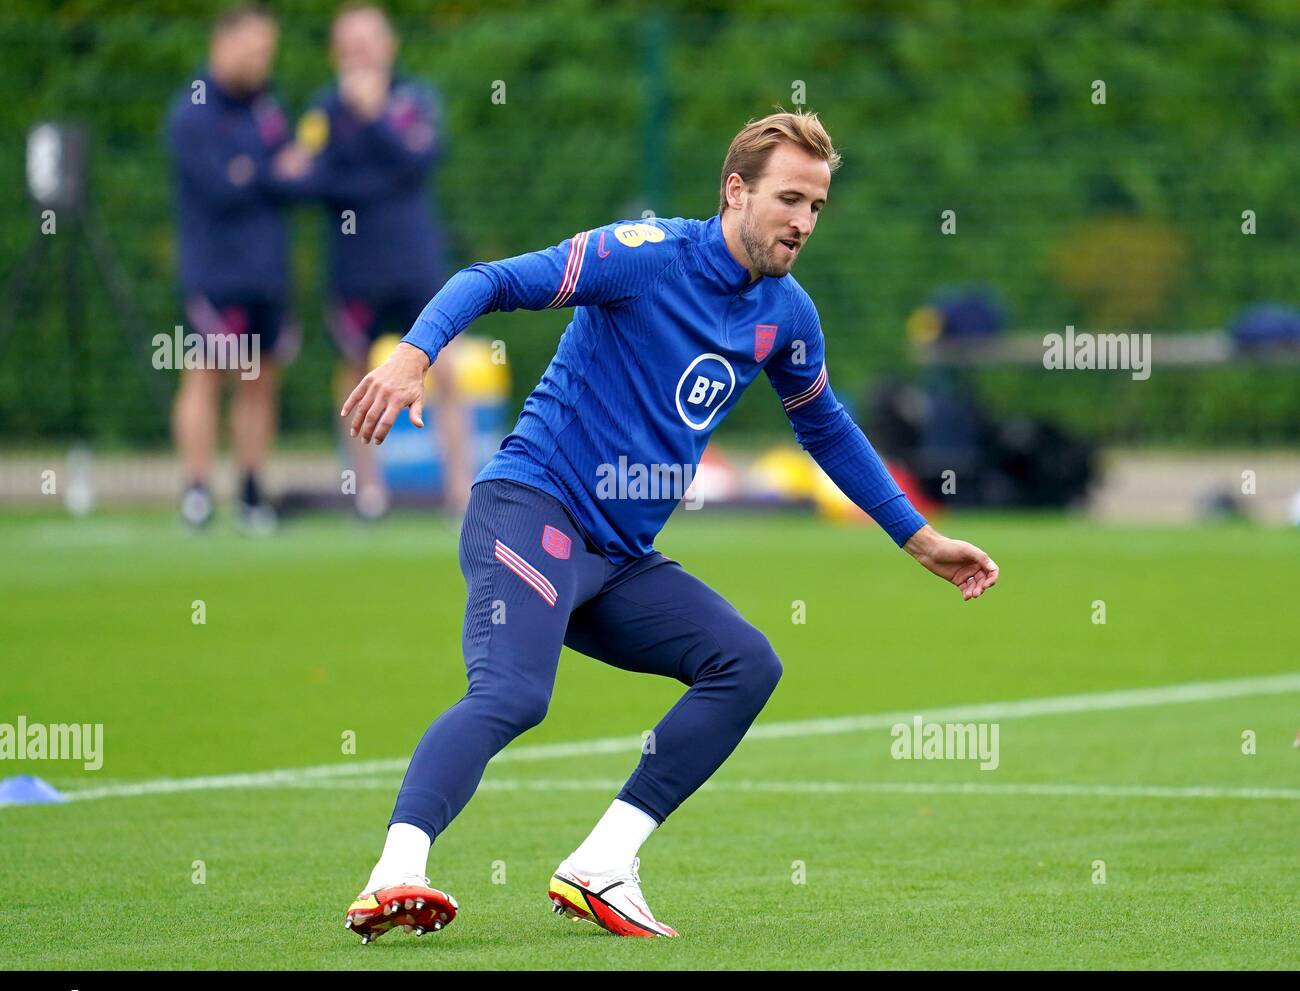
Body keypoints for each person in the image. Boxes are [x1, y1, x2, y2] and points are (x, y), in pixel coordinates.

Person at [339, 111, 1000, 941]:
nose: (802, 222)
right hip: (530, 509)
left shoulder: (787, 315)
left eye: (817, 206)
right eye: (788, 198)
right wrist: (414, 354)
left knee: (745, 663)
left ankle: (603, 864)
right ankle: (395, 873)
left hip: (618, 557)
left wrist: (918, 537)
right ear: (735, 191)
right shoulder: (642, 256)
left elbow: (824, 425)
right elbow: (490, 280)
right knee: (512, 694)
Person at [291, 3, 469, 518]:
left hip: (415, 262)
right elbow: (309, 180)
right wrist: (376, 176)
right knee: (355, 373)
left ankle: (461, 487)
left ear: (389, 44)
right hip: (354, 270)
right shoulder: (322, 112)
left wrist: (372, 121)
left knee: (447, 369)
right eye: (348, 43)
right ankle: (368, 492)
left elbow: (419, 160)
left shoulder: (414, 100)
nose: (359, 52)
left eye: (368, 40)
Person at [166, 5, 307, 532]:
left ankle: (251, 491)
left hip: (268, 273)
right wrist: (269, 171)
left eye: (266, 50)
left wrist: (257, 171)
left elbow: (298, 177)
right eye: (252, 49)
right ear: (221, 44)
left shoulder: (268, 106)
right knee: (205, 376)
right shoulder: (193, 110)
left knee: (260, 381)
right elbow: (222, 185)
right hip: (215, 274)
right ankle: (197, 491)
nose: (260, 60)